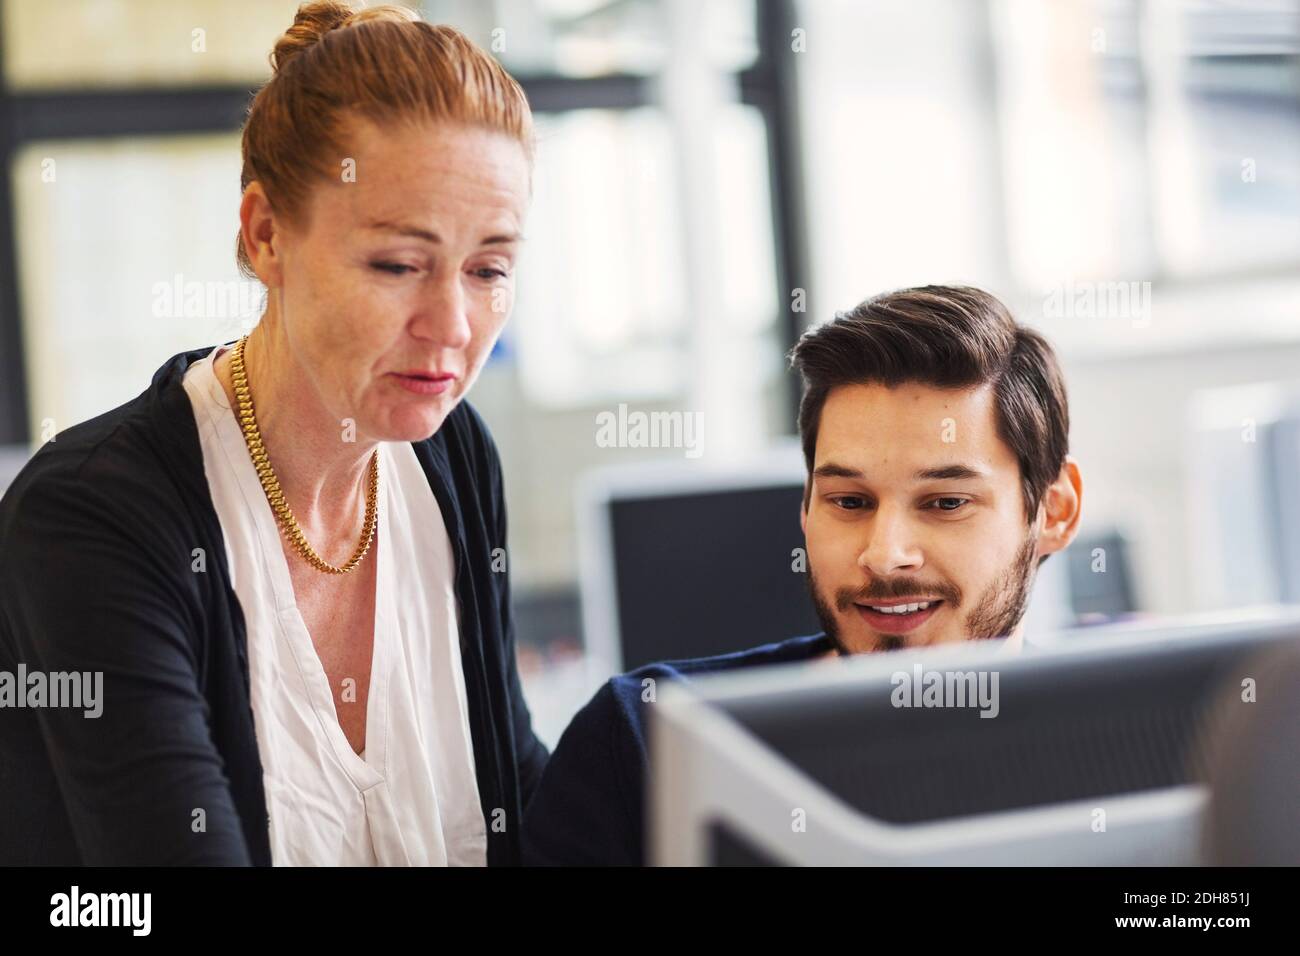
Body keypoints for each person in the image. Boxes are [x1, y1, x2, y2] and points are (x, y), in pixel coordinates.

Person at [0, 1, 546, 866]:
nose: (452, 324)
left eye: (488, 269)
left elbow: (510, 787)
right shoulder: (91, 517)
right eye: (399, 265)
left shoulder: (450, 452)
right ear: (266, 235)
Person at [521, 284, 1084, 865]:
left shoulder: (1144, 740)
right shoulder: (645, 743)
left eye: (945, 503)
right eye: (849, 501)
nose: (884, 556)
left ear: (1056, 511)